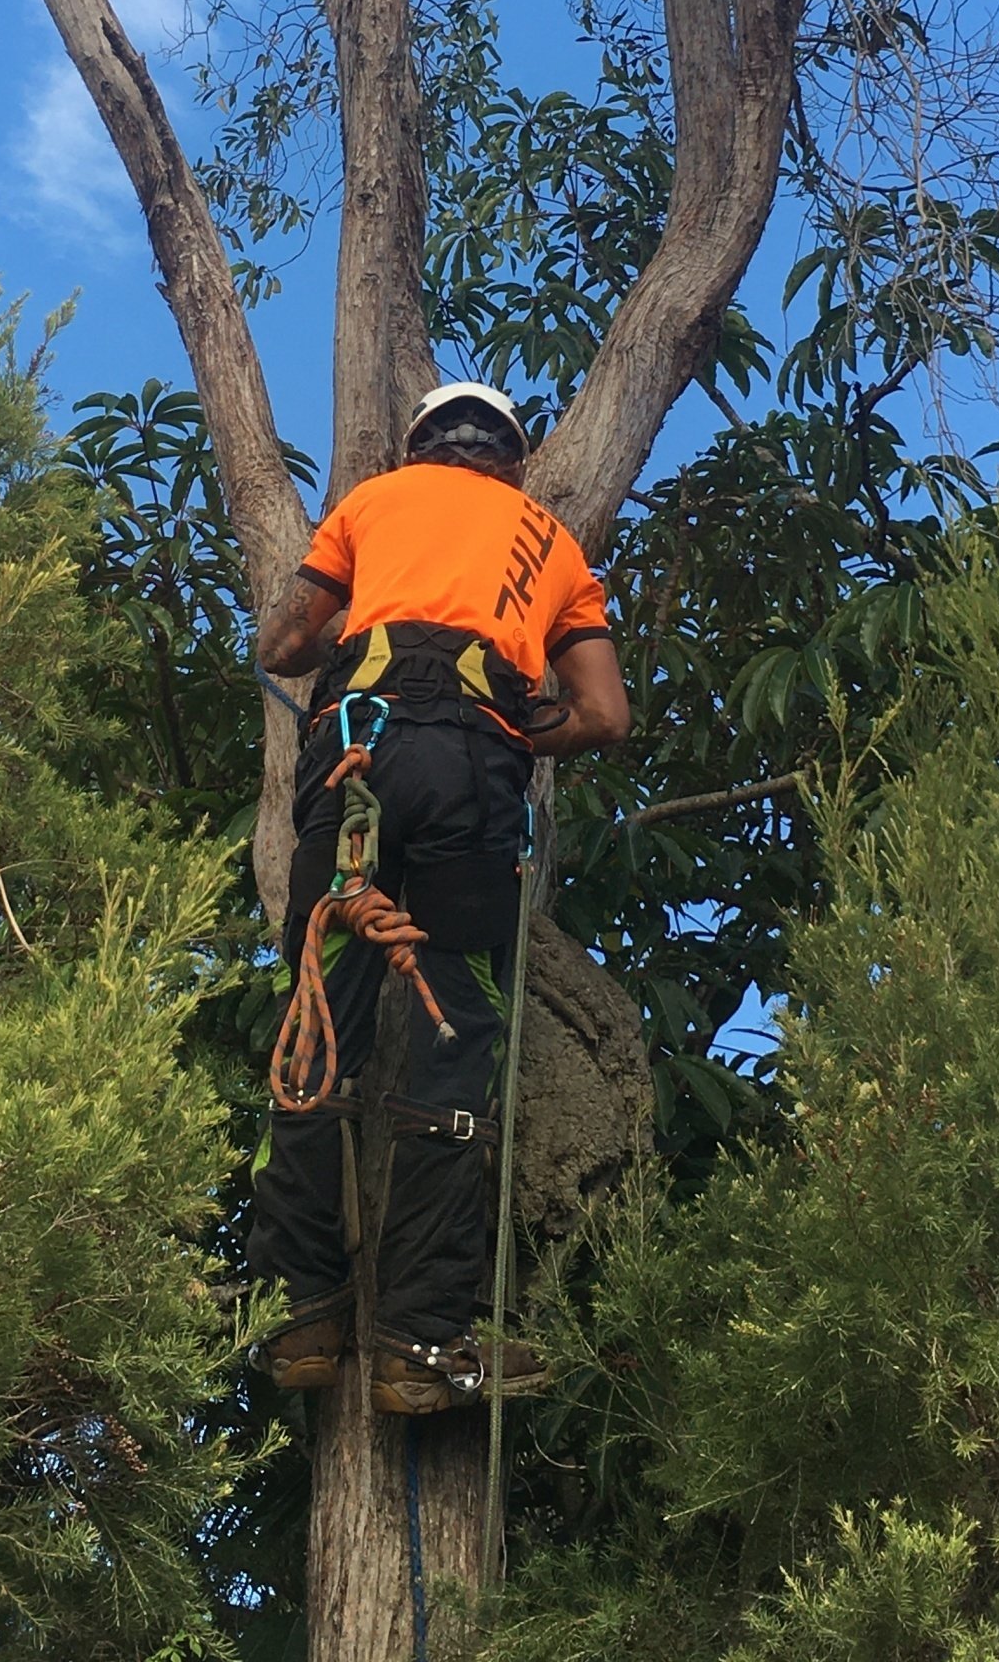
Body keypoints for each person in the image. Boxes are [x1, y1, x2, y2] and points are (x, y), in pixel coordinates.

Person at [248, 383, 630, 1416]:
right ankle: (422, 1342)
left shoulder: (371, 503)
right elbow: (603, 712)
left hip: (355, 762)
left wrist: (355, 655)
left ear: (419, 445)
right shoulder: (551, 541)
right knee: (459, 1034)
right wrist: (517, 731)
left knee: (317, 1027)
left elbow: (283, 644)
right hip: (472, 775)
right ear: (510, 460)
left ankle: (300, 1320)